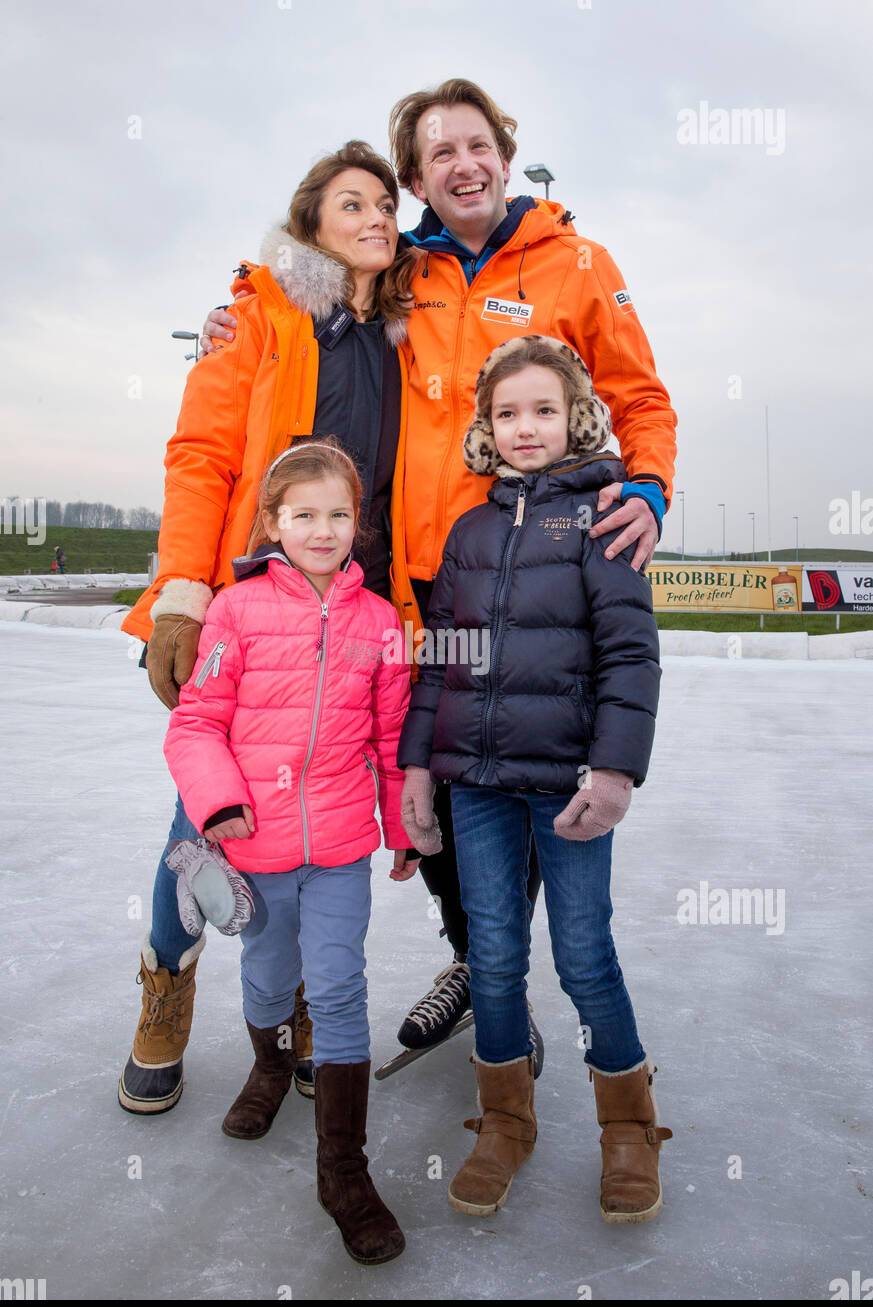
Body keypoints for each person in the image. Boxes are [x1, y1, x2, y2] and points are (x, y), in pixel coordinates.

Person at [201, 76, 677, 1056]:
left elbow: (641, 398)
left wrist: (650, 490)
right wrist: (241, 306)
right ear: (417, 178)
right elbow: (309, 295)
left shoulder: (578, 260)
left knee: (539, 770)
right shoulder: (405, 269)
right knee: (456, 781)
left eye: (478, 145)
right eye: (439, 154)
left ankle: (509, 973)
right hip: (430, 586)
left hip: (547, 579)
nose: (463, 163)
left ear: (505, 153)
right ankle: (480, 963)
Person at [118, 141, 419, 1117]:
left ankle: (292, 1004)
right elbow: (200, 453)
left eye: (384, 202)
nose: (375, 215)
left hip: (348, 611)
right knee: (203, 818)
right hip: (248, 603)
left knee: (314, 820)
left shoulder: (409, 338)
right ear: (311, 223)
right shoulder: (260, 316)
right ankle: (168, 981)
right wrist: (179, 593)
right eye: (350, 203)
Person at [397, 336, 672, 1223]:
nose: (524, 428)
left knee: (584, 957)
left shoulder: (604, 517)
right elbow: (437, 662)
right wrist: (415, 768)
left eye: (542, 410)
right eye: (506, 413)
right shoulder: (470, 529)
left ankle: (627, 1128)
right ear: (484, 427)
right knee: (495, 956)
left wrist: (617, 770)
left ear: (574, 417)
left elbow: (630, 654)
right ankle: (504, 1122)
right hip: (475, 785)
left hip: (569, 787)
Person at [164, 440, 416, 1265]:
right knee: (269, 976)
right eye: (304, 514)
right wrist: (220, 802)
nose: (323, 529)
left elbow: (387, 738)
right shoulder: (236, 613)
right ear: (272, 523)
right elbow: (196, 721)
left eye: (338, 515)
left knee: (340, 985)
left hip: (340, 844)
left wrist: (403, 827)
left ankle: (342, 1170)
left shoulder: (378, 622)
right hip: (258, 847)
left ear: (358, 524)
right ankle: (270, 1067)